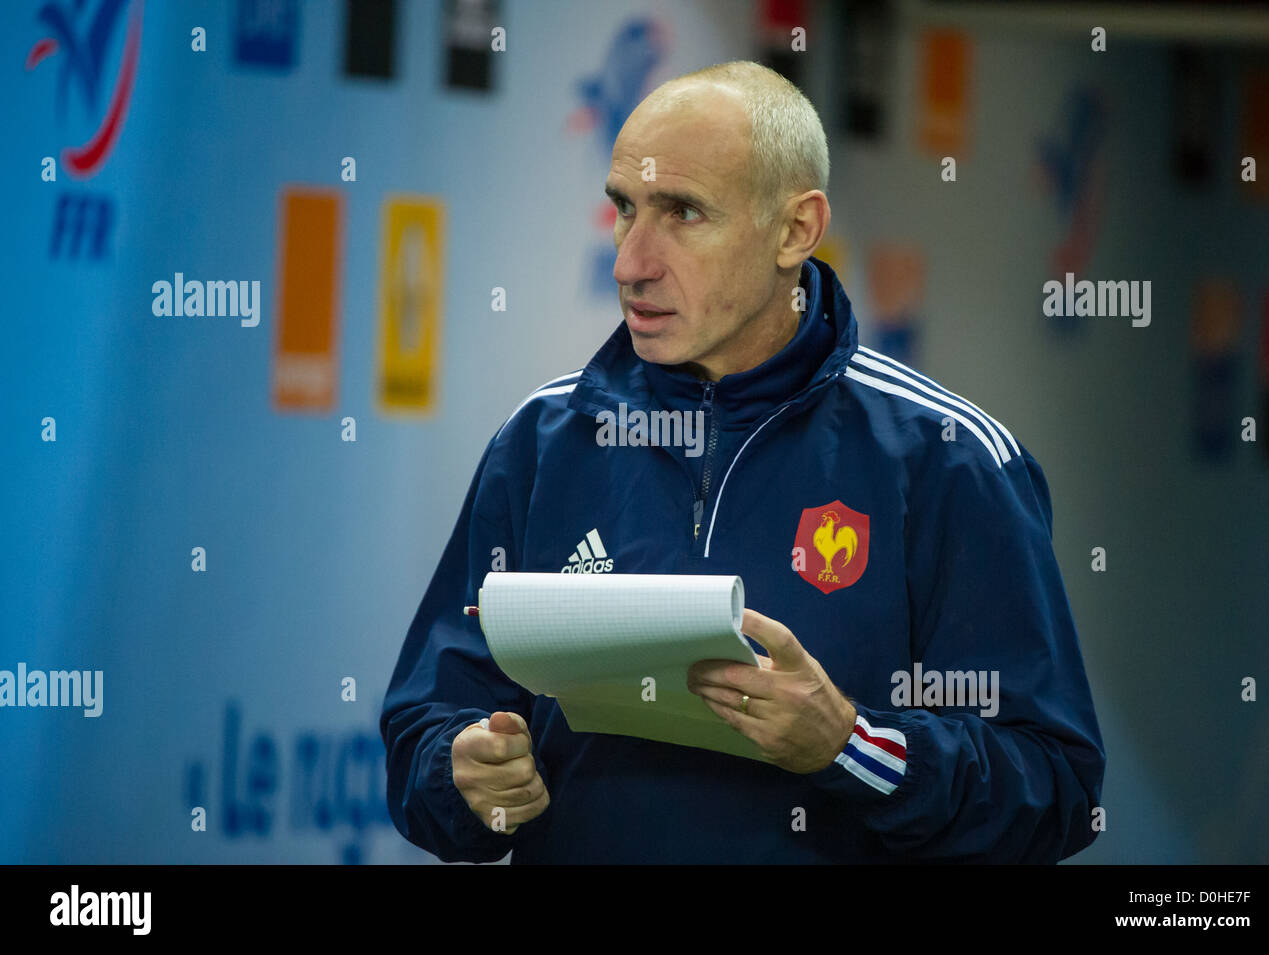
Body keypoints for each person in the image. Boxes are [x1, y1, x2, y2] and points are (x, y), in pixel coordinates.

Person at [381, 60, 1105, 863]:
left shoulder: (948, 460)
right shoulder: (543, 442)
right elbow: (426, 731)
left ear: (795, 230)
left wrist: (851, 745)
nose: (631, 261)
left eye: (683, 213)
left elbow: (1059, 790)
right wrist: (464, 775)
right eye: (624, 209)